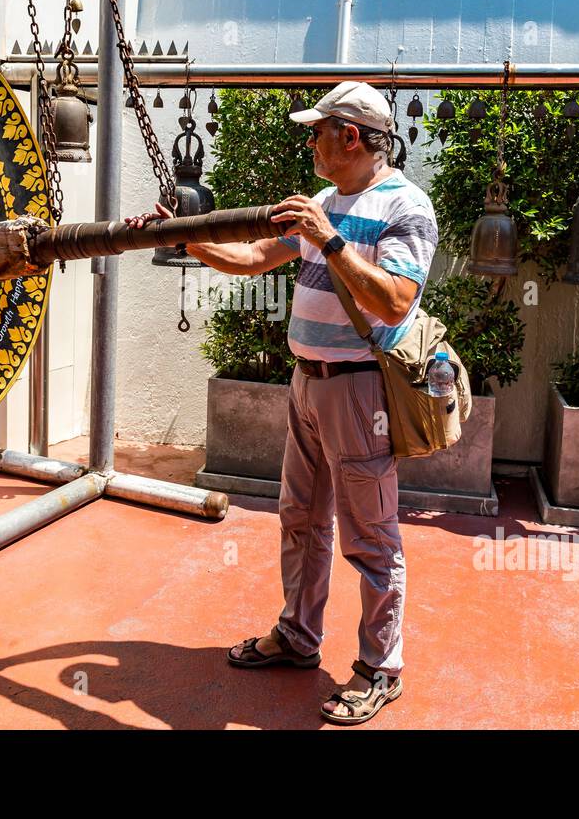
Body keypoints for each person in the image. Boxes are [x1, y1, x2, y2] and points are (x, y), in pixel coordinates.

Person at [126, 81, 438, 724]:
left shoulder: (405, 205)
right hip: (306, 384)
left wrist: (328, 240)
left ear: (350, 136)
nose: (311, 141)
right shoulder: (324, 200)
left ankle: (382, 666)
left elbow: (396, 300)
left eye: (318, 131)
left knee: (371, 537)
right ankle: (299, 636)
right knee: (300, 518)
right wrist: (182, 238)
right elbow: (249, 260)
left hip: (358, 390)